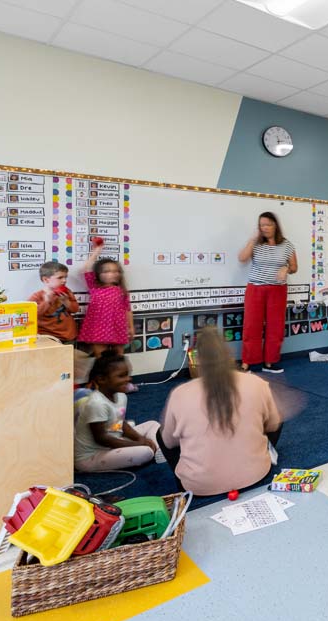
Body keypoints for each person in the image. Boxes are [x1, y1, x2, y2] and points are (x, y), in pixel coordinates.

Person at [159, 328, 286, 496]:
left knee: (159, 435)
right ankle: (257, 455)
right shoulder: (256, 382)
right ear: (229, 355)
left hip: (199, 487)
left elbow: (169, 442)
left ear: (198, 360)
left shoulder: (180, 394)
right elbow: (273, 425)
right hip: (257, 474)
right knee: (275, 416)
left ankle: (191, 474)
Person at [74, 354, 160, 472]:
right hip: (91, 457)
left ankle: (158, 451)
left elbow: (120, 423)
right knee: (146, 452)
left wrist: (140, 439)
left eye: (128, 375)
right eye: (121, 376)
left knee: (153, 424)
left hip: (113, 438)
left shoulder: (121, 396)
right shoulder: (96, 404)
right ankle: (155, 449)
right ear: (101, 379)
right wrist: (139, 444)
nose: (128, 379)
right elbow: (101, 439)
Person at [238, 211, 297, 373]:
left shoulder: (287, 245)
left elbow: (294, 267)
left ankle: (270, 362)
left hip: (277, 290)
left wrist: (286, 268)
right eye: (261, 225)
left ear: (275, 225)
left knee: (275, 326)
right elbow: (242, 258)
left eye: (268, 224)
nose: (264, 228)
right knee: (251, 326)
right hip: (255, 288)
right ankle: (247, 362)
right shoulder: (256, 243)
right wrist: (252, 240)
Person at [78, 242, 133, 359]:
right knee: (100, 358)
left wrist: (131, 327)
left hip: (118, 327)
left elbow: (127, 310)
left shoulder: (122, 291)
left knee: (119, 358)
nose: (112, 274)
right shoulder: (94, 286)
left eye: (115, 271)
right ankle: (102, 376)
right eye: (107, 271)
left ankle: (115, 376)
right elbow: (86, 268)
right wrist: (97, 251)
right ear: (98, 274)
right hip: (98, 328)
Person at [29, 261, 79, 344]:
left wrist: (66, 302)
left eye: (65, 277)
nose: (64, 280)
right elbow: (32, 315)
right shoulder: (37, 296)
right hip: (48, 337)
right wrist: (47, 301)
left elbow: (75, 309)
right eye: (60, 277)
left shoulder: (67, 292)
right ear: (46, 280)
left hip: (69, 335)